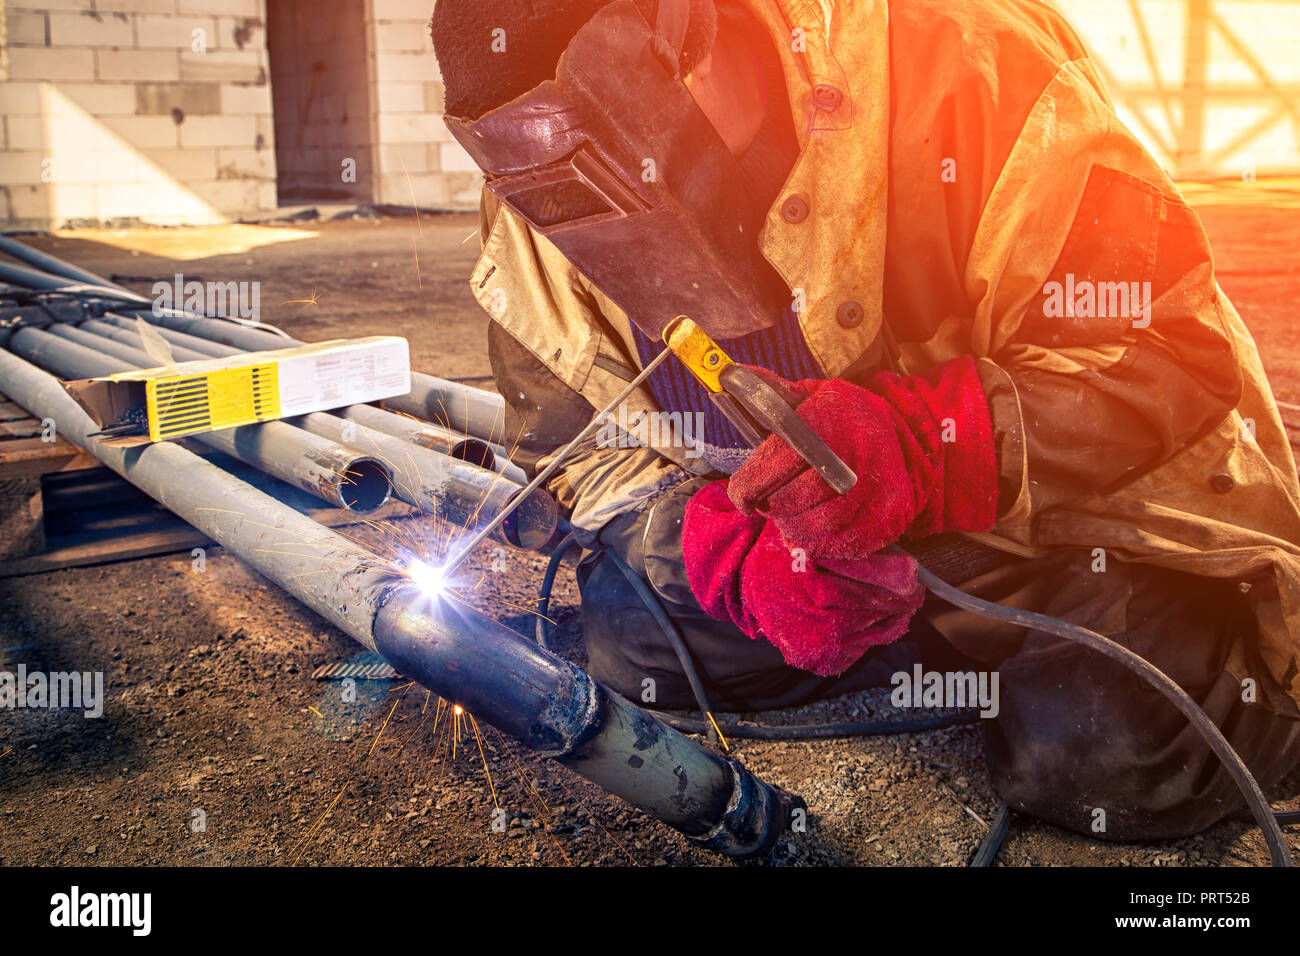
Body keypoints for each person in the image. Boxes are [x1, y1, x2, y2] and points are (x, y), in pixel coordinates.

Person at [430, 0, 1300, 841]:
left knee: (1111, 757)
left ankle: (1207, 679)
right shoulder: (535, 185)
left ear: (691, 31)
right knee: (638, 652)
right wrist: (713, 549)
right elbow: (572, 450)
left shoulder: (975, 61)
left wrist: (928, 442)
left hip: (1025, 531)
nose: (611, 206)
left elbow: (1167, 359)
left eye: (626, 152)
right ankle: (902, 632)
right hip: (789, 534)